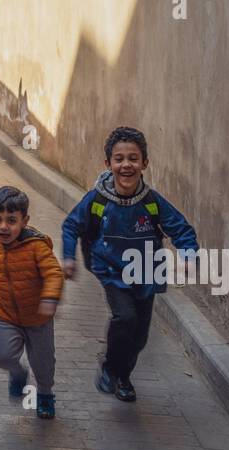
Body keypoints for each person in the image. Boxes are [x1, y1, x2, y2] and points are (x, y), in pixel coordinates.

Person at [62, 126, 198, 402]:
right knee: (125, 317)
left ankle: (124, 376)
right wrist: (68, 256)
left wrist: (189, 254)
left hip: (146, 274)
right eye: (119, 159)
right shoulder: (97, 200)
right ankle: (111, 370)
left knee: (138, 338)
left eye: (133, 158)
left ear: (144, 163)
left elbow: (182, 229)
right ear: (108, 164)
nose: (126, 165)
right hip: (111, 272)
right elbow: (71, 226)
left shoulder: (151, 202)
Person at [0, 185, 64, 419]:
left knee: (42, 362)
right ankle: (17, 373)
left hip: (38, 319)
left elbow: (53, 273)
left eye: (11, 220)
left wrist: (50, 298)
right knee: (3, 355)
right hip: (8, 317)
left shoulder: (36, 247)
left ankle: (44, 395)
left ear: (24, 220)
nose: (3, 227)